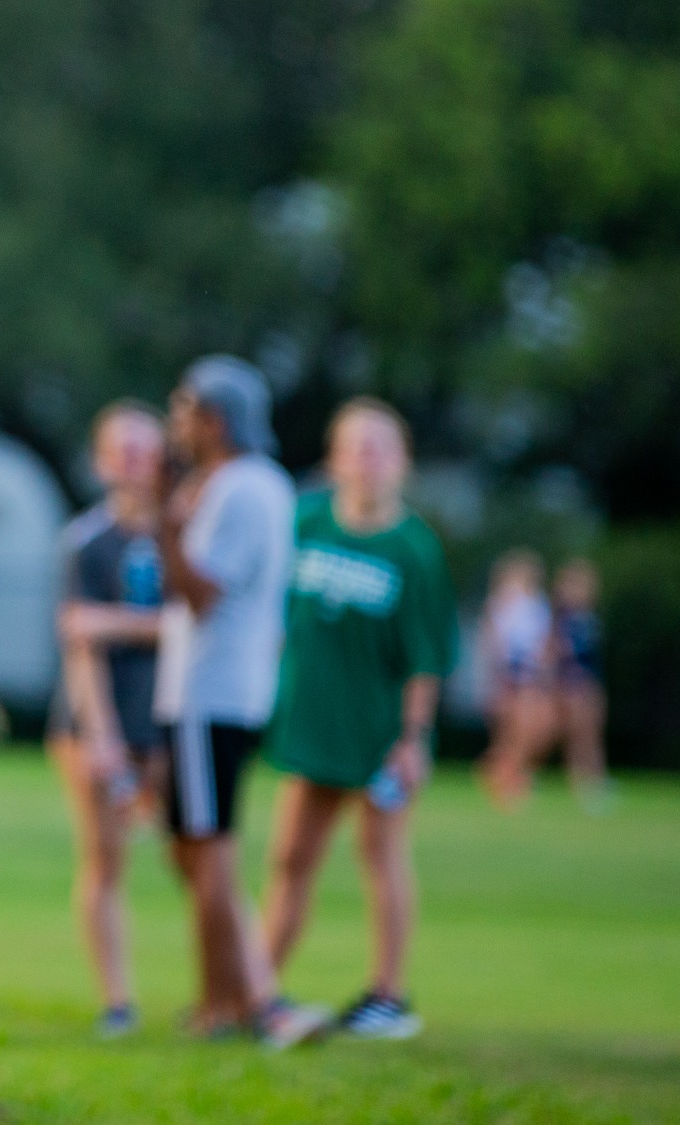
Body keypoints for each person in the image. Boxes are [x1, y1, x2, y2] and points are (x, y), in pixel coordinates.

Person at [258, 399, 457, 1042]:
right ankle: (257, 988)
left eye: (380, 448)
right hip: (311, 727)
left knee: (381, 853)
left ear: (402, 461)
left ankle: (388, 996)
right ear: (334, 457)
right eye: (355, 446)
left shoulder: (414, 548)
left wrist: (412, 740)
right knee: (290, 857)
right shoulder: (307, 521)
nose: (367, 460)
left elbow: (426, 657)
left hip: (378, 735)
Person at [152, 355, 326, 1048]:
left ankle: (242, 1002)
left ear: (215, 419)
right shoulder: (261, 484)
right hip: (223, 690)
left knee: (209, 850)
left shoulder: (238, 490)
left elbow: (200, 593)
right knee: (190, 849)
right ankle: (231, 997)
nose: (176, 422)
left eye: (184, 408)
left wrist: (166, 528)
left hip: (208, 691)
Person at [48, 400, 167, 1039]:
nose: (132, 461)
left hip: (167, 720)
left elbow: (196, 627)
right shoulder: (87, 541)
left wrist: (118, 623)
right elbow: (79, 643)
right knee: (104, 859)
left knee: (196, 857)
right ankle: (118, 1002)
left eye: (143, 448)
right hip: (96, 723)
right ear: (100, 462)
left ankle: (226, 997)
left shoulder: (184, 535)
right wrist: (102, 738)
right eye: (120, 449)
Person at [475, 549, 557, 809]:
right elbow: (495, 640)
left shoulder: (538, 602)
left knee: (540, 729)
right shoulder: (503, 600)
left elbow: (543, 641)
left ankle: (503, 771)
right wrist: (497, 677)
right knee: (515, 731)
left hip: (534, 674)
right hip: (513, 674)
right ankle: (509, 781)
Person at [549, 559, 610, 810]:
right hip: (572, 684)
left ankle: (596, 779)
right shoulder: (562, 619)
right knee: (578, 734)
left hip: (589, 681)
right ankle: (580, 782)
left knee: (592, 733)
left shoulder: (587, 617)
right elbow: (557, 652)